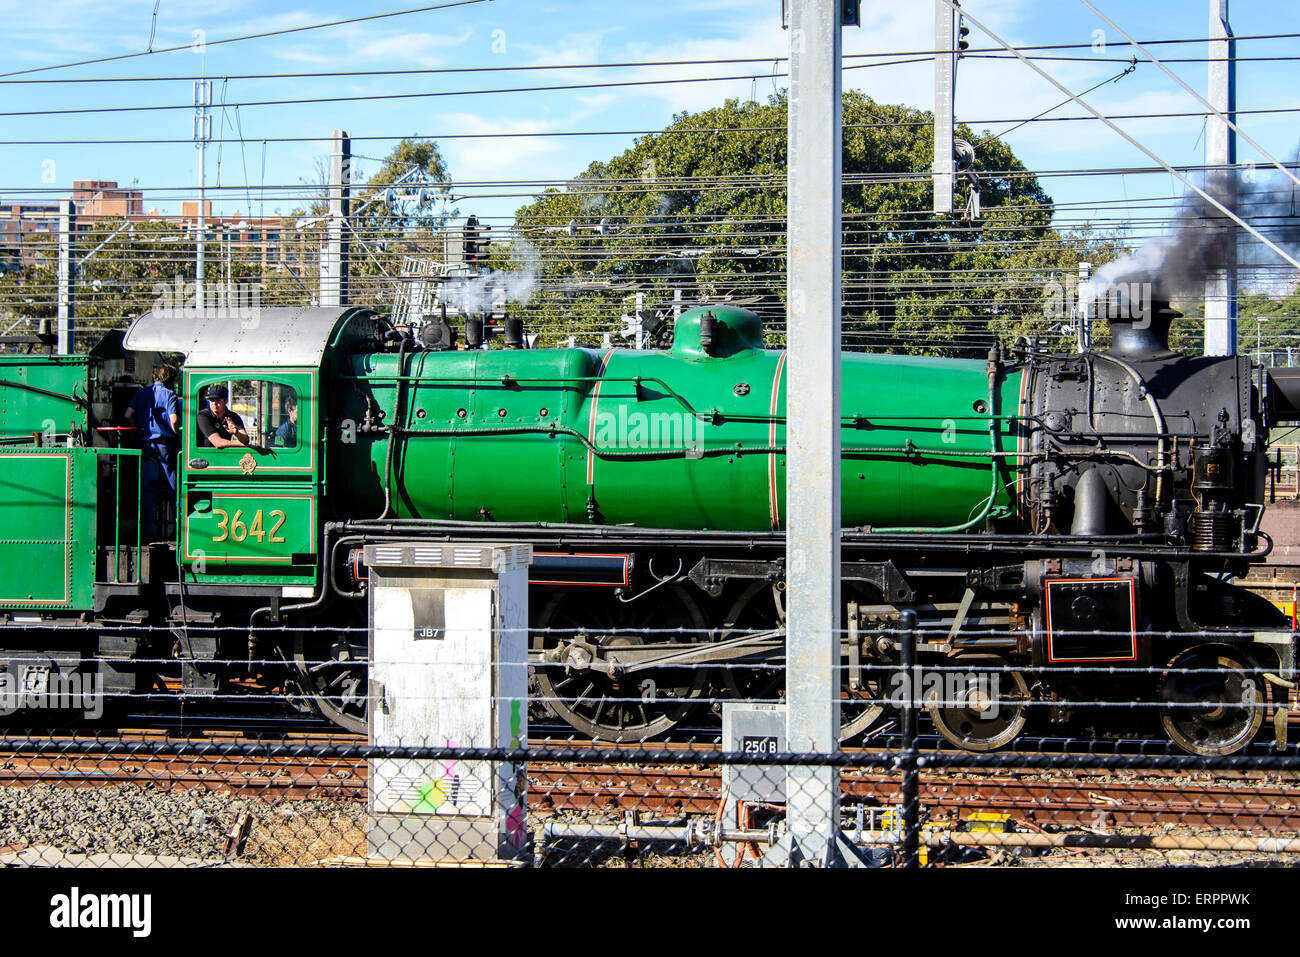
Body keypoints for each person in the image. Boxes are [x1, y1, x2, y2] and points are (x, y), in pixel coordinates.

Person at [124, 364, 180, 539]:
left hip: (146, 445)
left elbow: (127, 415)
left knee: (147, 489)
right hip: (165, 445)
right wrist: (178, 435)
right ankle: (180, 530)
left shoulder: (141, 393)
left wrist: (137, 430)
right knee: (174, 487)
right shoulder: (169, 394)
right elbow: (174, 420)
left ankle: (147, 531)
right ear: (170, 379)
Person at [196, 384, 249, 449]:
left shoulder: (233, 416)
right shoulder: (203, 416)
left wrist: (237, 433)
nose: (214, 403)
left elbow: (246, 440)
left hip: (224, 456)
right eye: (211, 400)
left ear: (226, 401)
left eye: (218, 400)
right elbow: (218, 443)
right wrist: (241, 445)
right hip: (203, 456)